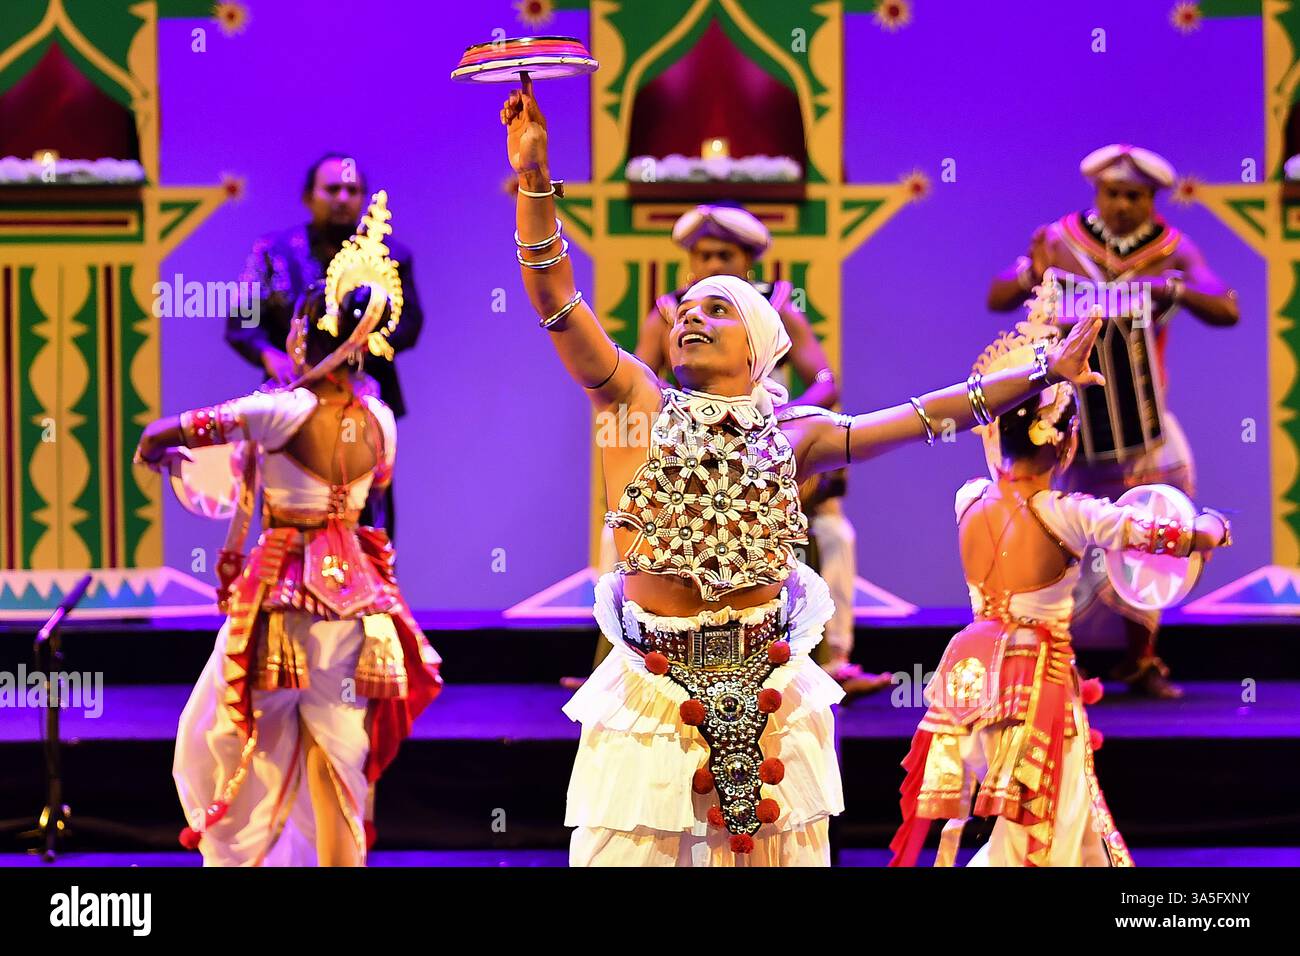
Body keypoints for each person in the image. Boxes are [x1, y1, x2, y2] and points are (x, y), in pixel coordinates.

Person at [500, 74, 1105, 866]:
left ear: (759, 346)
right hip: (651, 697)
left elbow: (928, 413)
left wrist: (1040, 373)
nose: (691, 315)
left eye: (718, 309)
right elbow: (554, 297)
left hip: (773, 700)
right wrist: (536, 178)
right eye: (687, 308)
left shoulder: (799, 433)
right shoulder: (637, 400)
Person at [137, 192, 441, 865]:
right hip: (362, 613)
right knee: (338, 755)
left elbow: (168, 430)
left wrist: (154, 452)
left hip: (282, 605)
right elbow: (365, 499)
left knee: (237, 740)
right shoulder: (382, 423)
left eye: (299, 328)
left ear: (311, 333)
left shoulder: (279, 411)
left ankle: (246, 857)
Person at [889, 288, 1232, 867]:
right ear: (1069, 441)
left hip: (970, 674)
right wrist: (1212, 528)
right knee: (1045, 817)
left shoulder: (967, 498)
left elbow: (998, 457)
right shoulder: (1066, 514)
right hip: (1037, 682)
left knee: (1037, 820)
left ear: (991, 433)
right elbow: (1158, 534)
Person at [987, 144, 1239, 698]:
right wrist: (1032, 269)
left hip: (1144, 423)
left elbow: (1228, 305)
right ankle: (1054, 667)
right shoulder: (1059, 240)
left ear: (1151, 199)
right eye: (1112, 194)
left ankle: (1141, 659)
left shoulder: (1170, 250)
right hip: (1070, 423)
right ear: (1097, 194)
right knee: (1059, 534)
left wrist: (1172, 287)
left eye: (1134, 196)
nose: (1122, 204)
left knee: (1154, 522)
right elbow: (998, 294)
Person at [633, 204, 888, 698]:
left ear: (747, 262)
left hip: (768, 451)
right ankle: (624, 657)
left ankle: (836, 658)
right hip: (691, 456)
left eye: (722, 255)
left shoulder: (779, 307)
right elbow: (639, 387)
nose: (709, 265)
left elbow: (825, 381)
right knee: (621, 529)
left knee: (835, 530)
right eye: (700, 255)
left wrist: (780, 422)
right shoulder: (670, 312)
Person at [225, 154, 425, 538]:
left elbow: (412, 322)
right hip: (291, 402)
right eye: (332, 188)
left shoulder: (392, 257)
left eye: (352, 190)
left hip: (364, 401)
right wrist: (273, 357)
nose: (343, 197)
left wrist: (366, 345)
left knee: (370, 512)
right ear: (308, 197)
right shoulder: (273, 252)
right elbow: (241, 320)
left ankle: (373, 595)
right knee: (290, 509)